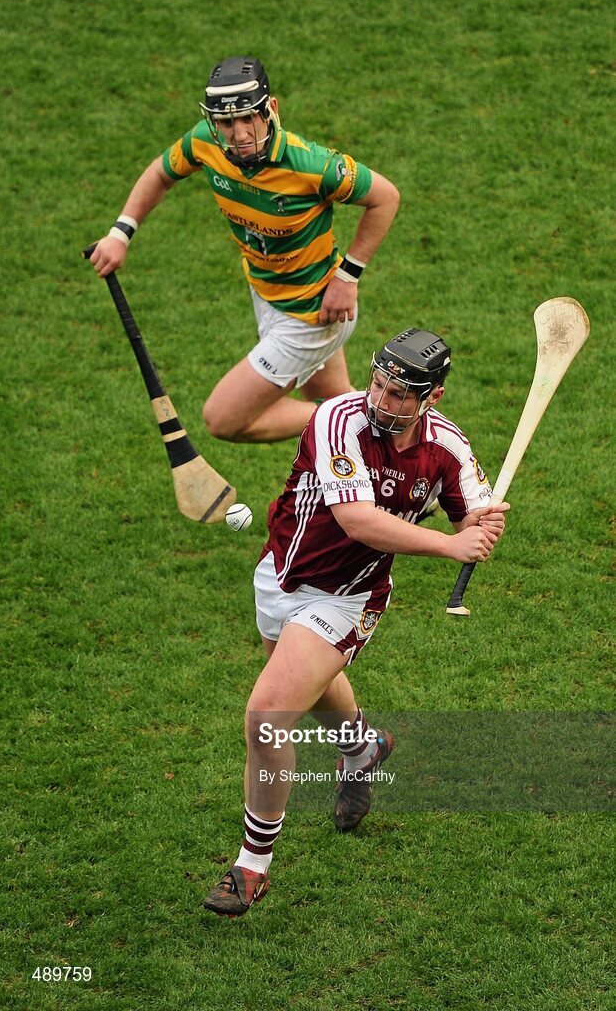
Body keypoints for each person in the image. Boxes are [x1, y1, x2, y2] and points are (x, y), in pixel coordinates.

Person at [203, 327, 510, 916]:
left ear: (432, 397)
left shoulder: (446, 448)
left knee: (268, 715)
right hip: (280, 572)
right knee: (299, 680)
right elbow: (358, 521)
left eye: (399, 395)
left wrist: (483, 524)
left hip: (348, 596)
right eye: (377, 383)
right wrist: (451, 547)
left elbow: (476, 507)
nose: (380, 400)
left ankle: (252, 865)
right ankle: (362, 747)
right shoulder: (336, 421)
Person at [89, 56, 400, 443]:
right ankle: (398, 470)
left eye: (247, 118)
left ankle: (367, 423)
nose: (237, 133)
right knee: (333, 401)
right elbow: (161, 172)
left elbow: (385, 198)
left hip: (311, 314)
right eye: (225, 122)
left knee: (224, 418)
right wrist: (122, 231)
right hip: (268, 294)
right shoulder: (205, 142)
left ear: (270, 110)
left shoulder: (312, 165)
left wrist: (348, 277)